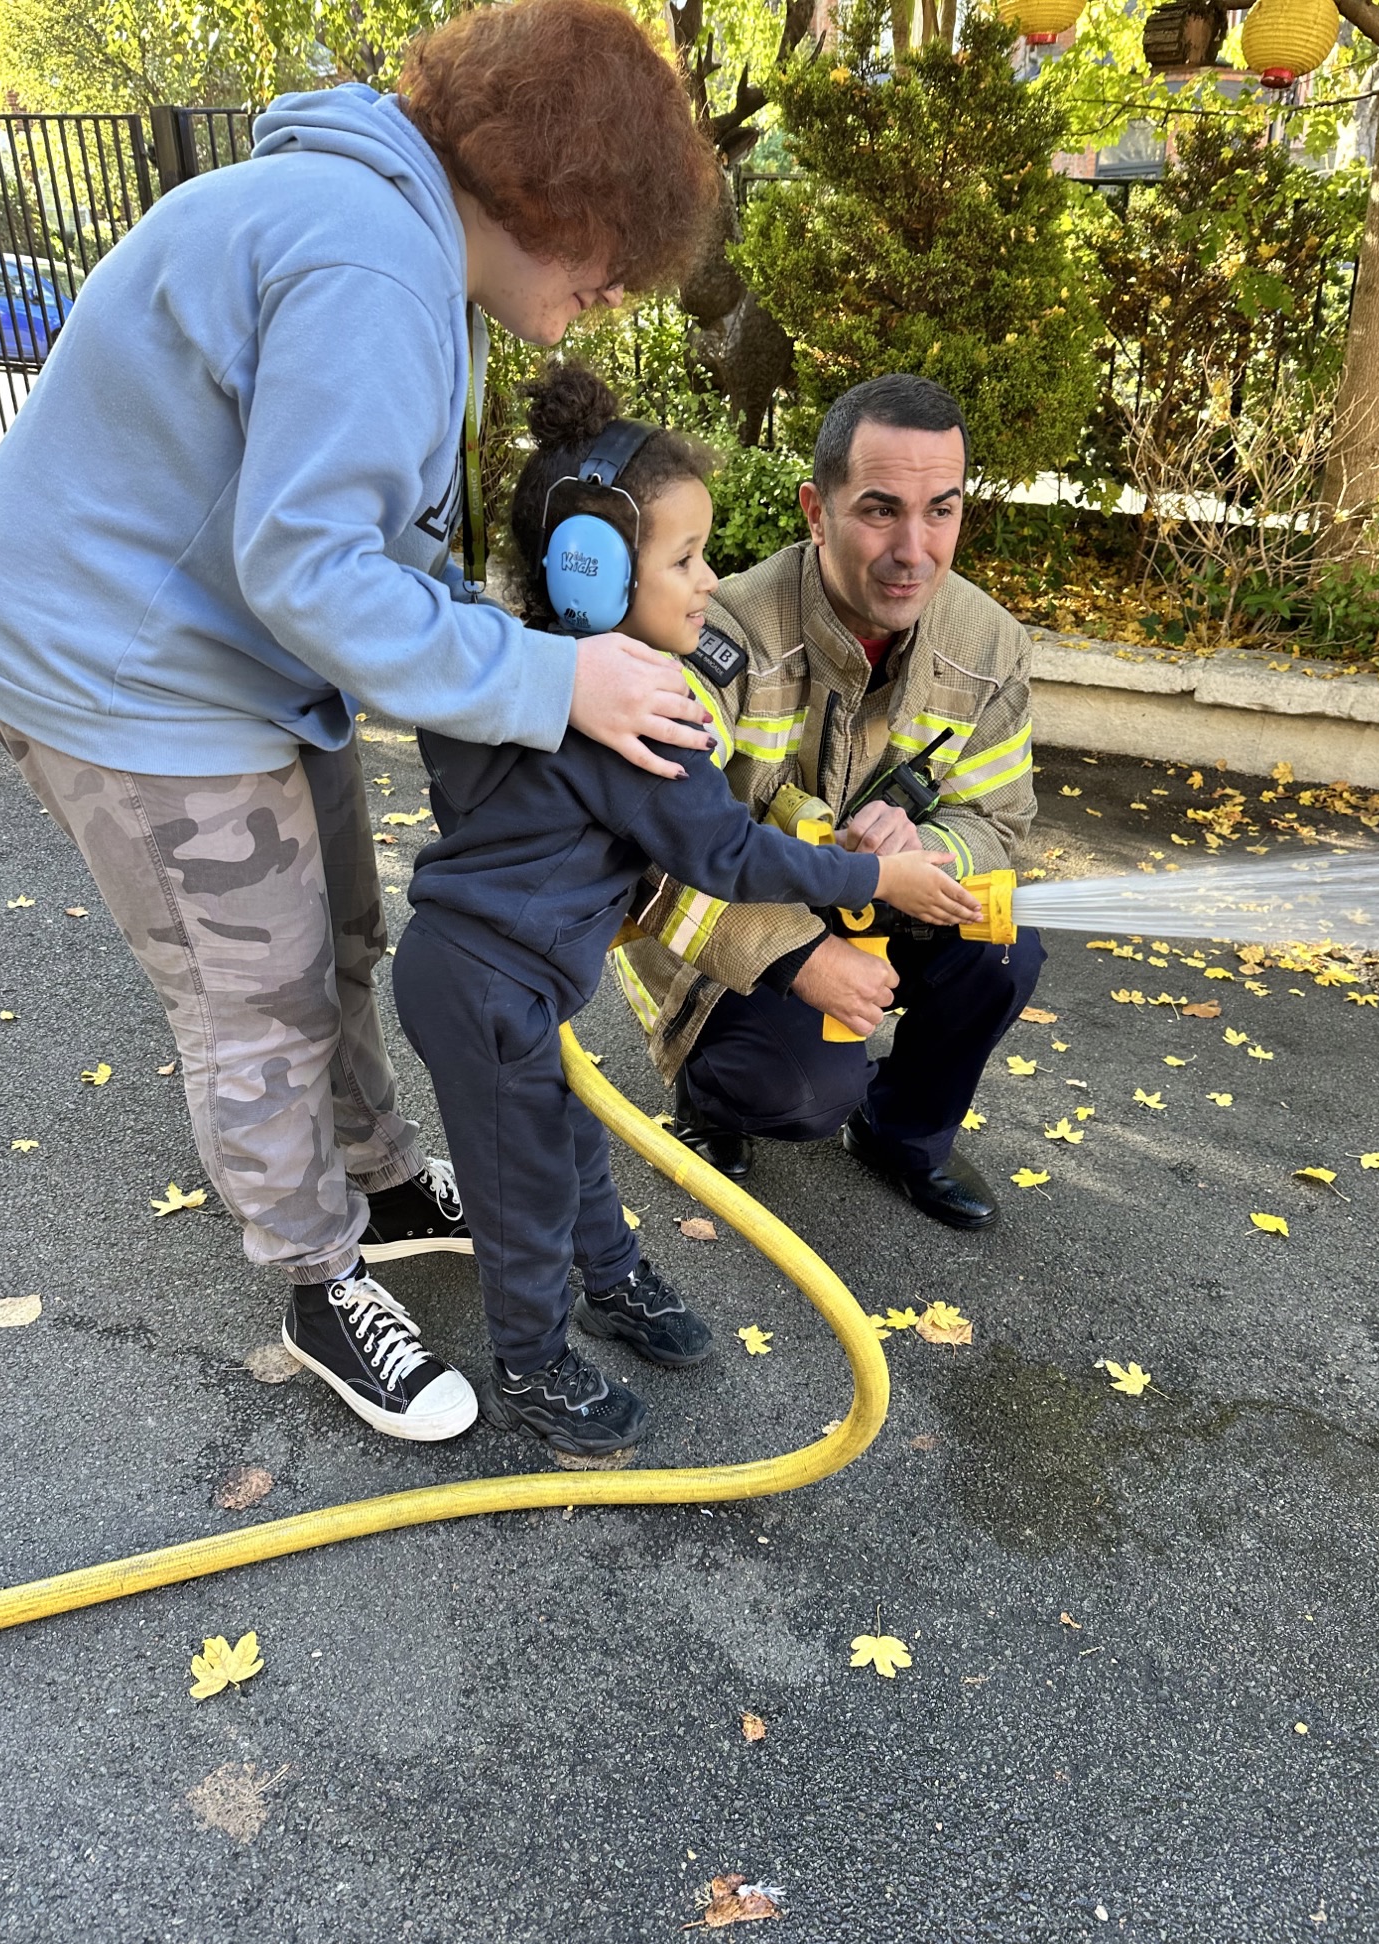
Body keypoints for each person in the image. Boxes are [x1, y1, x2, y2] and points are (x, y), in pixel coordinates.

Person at [0, 0, 722, 1444]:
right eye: (615, 252)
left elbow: (371, 540)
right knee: (256, 994)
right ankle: (317, 1280)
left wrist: (512, 661)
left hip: (227, 643)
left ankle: (376, 1177)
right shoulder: (370, 260)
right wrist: (557, 680)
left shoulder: (405, 241)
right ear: (554, 190)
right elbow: (313, 571)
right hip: (121, 669)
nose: (617, 290)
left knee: (343, 932)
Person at [388, 364, 982, 1456]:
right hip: (491, 987)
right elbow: (727, 854)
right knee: (522, 1188)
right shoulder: (642, 716)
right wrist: (874, 881)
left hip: (486, 974)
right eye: (685, 558)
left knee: (571, 1137)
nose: (711, 581)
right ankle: (531, 1366)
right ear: (591, 570)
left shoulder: (510, 673)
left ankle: (613, 1277)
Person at [615, 373, 1046, 1231]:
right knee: (800, 1092)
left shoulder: (991, 644)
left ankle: (901, 1133)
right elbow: (648, 846)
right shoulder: (724, 634)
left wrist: (929, 852)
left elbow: (999, 823)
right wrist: (800, 956)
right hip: (726, 917)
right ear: (816, 512)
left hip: (872, 898)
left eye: (941, 510)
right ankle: (711, 1092)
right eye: (881, 510)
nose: (914, 551)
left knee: (1005, 947)